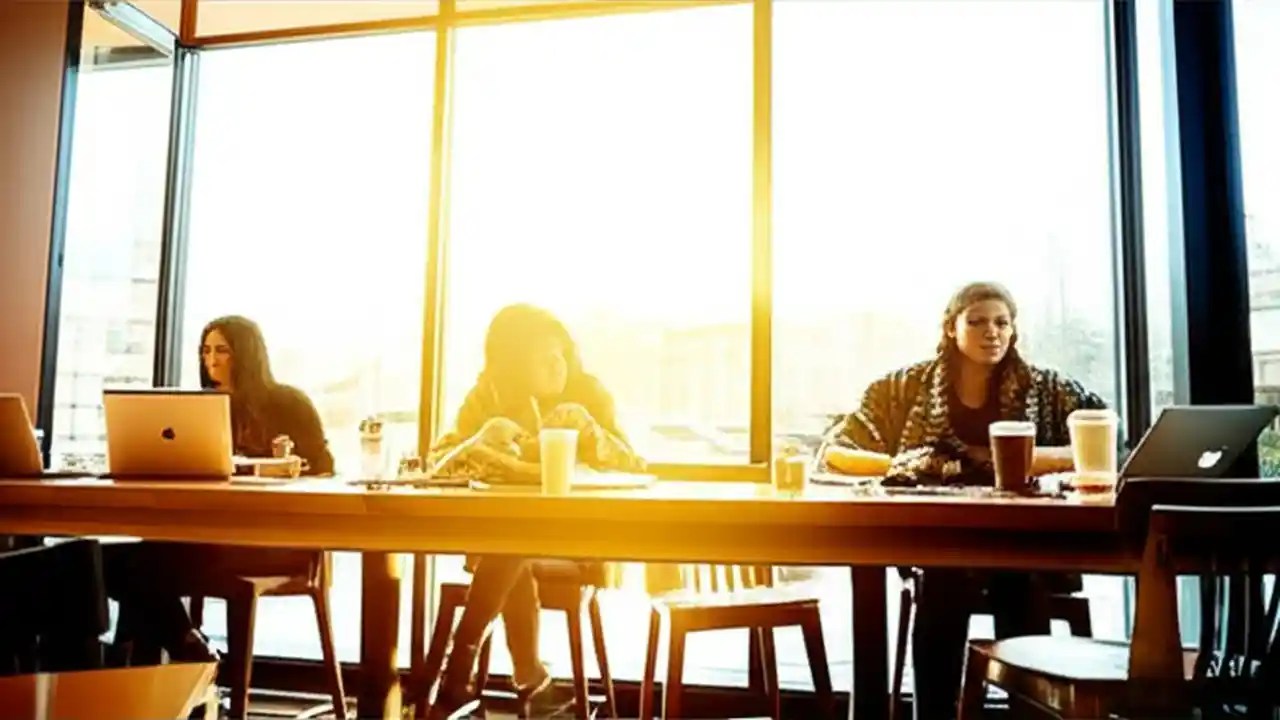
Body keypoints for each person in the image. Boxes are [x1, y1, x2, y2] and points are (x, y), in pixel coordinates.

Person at [817, 281, 1106, 719]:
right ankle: (934, 713)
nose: (992, 332)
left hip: (1023, 541)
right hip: (936, 540)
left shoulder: (1046, 388)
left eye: (1001, 323)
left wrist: (1017, 459)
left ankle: (1030, 712)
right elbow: (834, 454)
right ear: (951, 328)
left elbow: (1102, 442)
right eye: (977, 322)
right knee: (944, 579)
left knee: (1019, 580)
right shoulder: (902, 387)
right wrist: (913, 464)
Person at [425, 304, 644, 719]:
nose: (556, 364)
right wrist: (479, 439)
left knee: (507, 545)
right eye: (542, 357)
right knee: (512, 542)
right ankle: (533, 681)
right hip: (504, 541)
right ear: (513, 364)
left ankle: (463, 662)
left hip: (581, 540)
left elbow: (634, 463)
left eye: (560, 353)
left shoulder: (587, 394)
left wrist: (590, 431)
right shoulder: (487, 398)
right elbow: (437, 463)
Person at [107, 315, 334, 663]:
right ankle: (185, 650)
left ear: (246, 354)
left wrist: (287, 462)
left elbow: (325, 467)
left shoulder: (289, 403)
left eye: (222, 350)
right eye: (206, 350)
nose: (211, 358)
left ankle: (169, 666)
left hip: (272, 541)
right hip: (210, 535)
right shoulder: (197, 409)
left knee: (139, 567)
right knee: (112, 562)